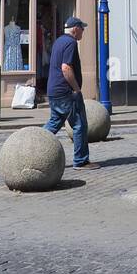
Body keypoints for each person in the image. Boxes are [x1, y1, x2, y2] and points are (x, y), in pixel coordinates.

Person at [42, 17, 94, 168]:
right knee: (79, 125)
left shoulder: (59, 41)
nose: (83, 31)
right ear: (75, 29)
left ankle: (33, 144)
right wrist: (76, 89)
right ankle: (81, 160)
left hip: (53, 90)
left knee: (54, 122)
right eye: (82, 28)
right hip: (66, 92)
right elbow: (66, 68)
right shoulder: (71, 43)